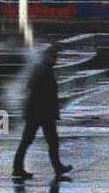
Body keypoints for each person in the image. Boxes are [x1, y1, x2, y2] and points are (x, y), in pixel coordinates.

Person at [12, 44, 73, 179]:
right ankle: (19, 168)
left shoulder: (42, 68)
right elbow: (36, 89)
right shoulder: (43, 70)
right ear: (49, 57)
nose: (56, 61)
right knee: (38, 141)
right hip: (41, 113)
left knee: (42, 141)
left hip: (39, 112)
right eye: (55, 58)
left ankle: (56, 167)